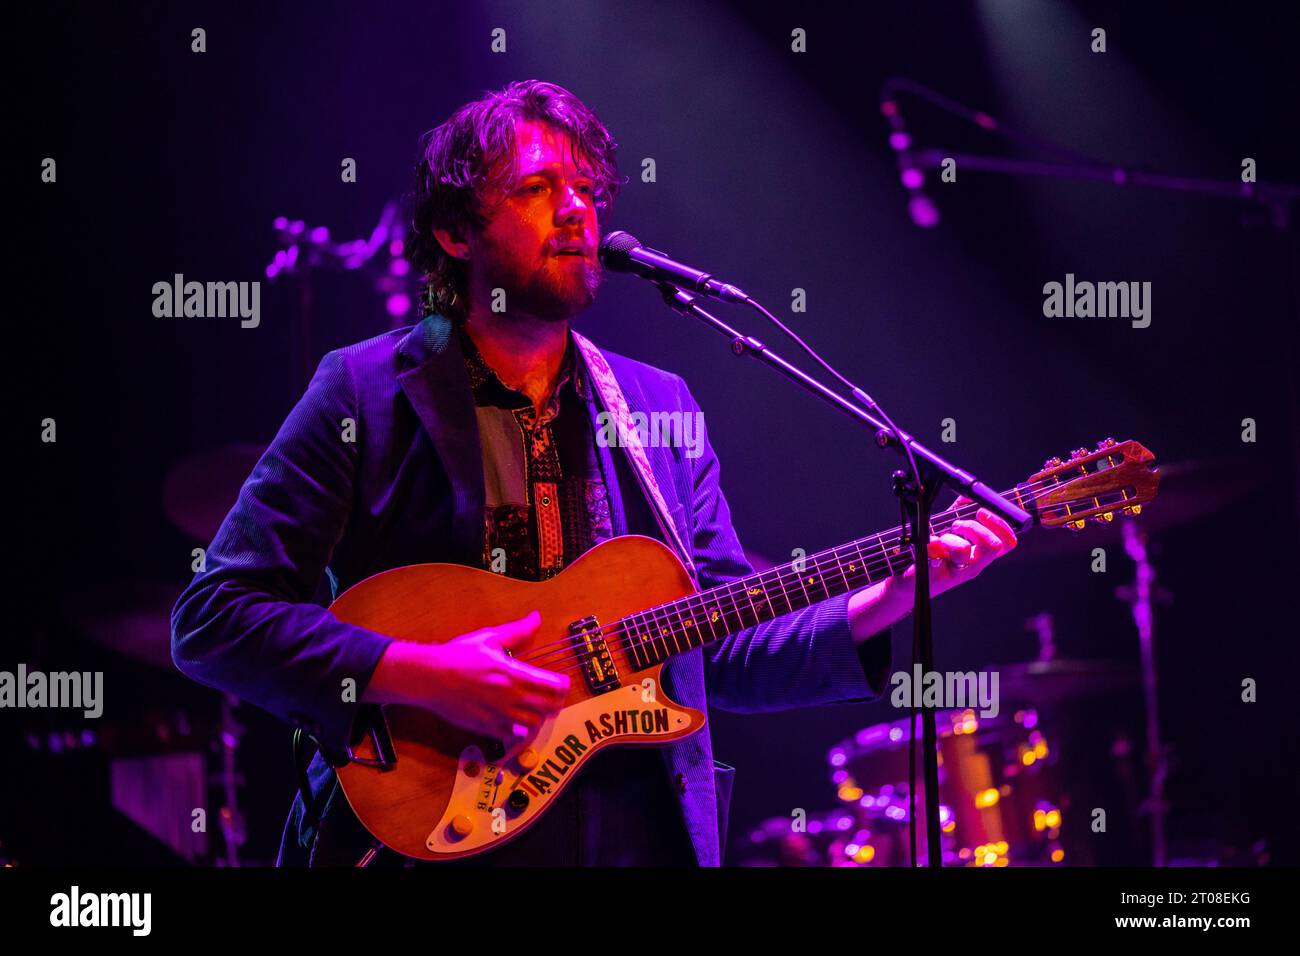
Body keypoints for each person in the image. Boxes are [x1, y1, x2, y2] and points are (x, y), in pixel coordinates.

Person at [170, 79, 1017, 867]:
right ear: (455, 232)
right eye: (536, 190)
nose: (576, 211)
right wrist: (425, 674)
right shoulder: (363, 389)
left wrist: (892, 596)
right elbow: (214, 618)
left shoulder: (655, 405)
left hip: (633, 839)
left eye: (585, 190)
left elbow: (712, 652)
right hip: (424, 835)